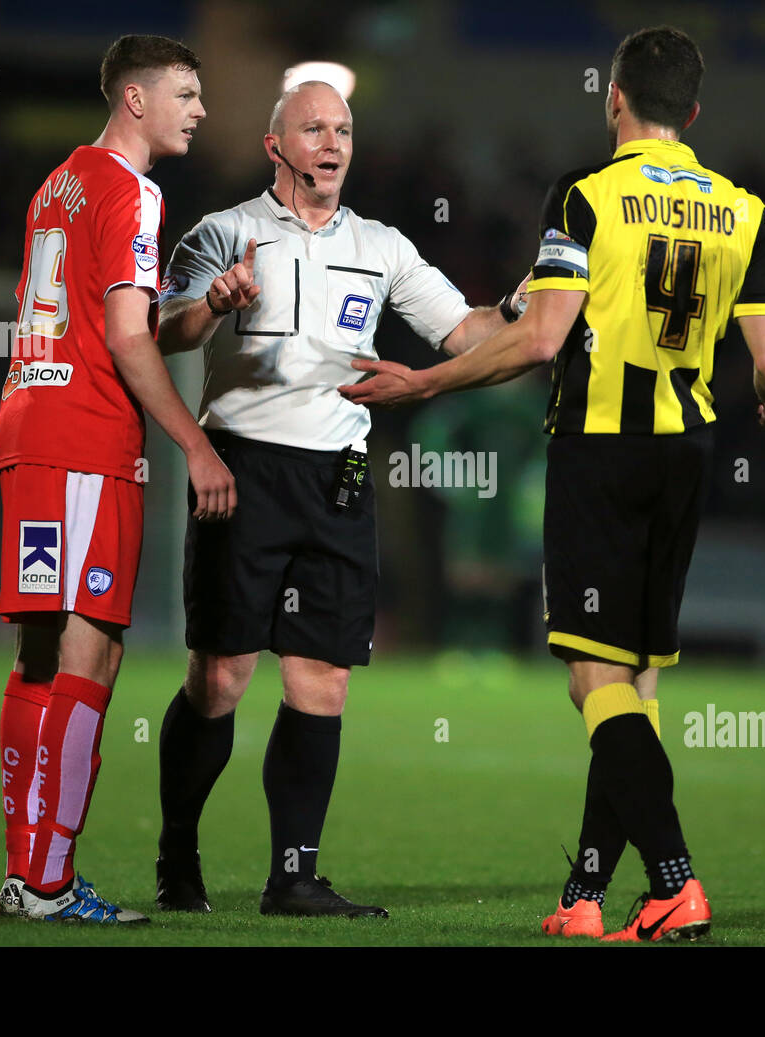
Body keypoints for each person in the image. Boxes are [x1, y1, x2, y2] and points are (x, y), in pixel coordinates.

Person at [340, 26, 765, 941]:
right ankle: (588, 895)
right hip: (687, 455)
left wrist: (421, 383)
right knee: (629, 683)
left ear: (615, 99)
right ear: (696, 112)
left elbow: (543, 339)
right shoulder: (744, 210)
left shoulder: (588, 195)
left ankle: (677, 880)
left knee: (592, 677)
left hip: (602, 446)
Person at [154, 79, 527, 917]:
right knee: (220, 678)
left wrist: (519, 309)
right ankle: (179, 849)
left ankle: (293, 876)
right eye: (314, 128)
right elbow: (163, 326)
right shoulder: (226, 231)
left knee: (322, 680)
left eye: (344, 130)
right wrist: (213, 303)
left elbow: (463, 332)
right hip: (243, 468)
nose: (332, 142)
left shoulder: (383, 245)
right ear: (275, 146)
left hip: (339, 476)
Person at [0, 34, 234, 924]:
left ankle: (26, 874)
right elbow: (128, 341)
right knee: (94, 648)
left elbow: (115, 319)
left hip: (27, 418)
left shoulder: (57, 180)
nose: (200, 109)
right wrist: (195, 444)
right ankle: (50, 883)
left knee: (41, 650)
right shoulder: (134, 190)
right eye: (186, 92)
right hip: (89, 438)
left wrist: (206, 307)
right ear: (135, 99)